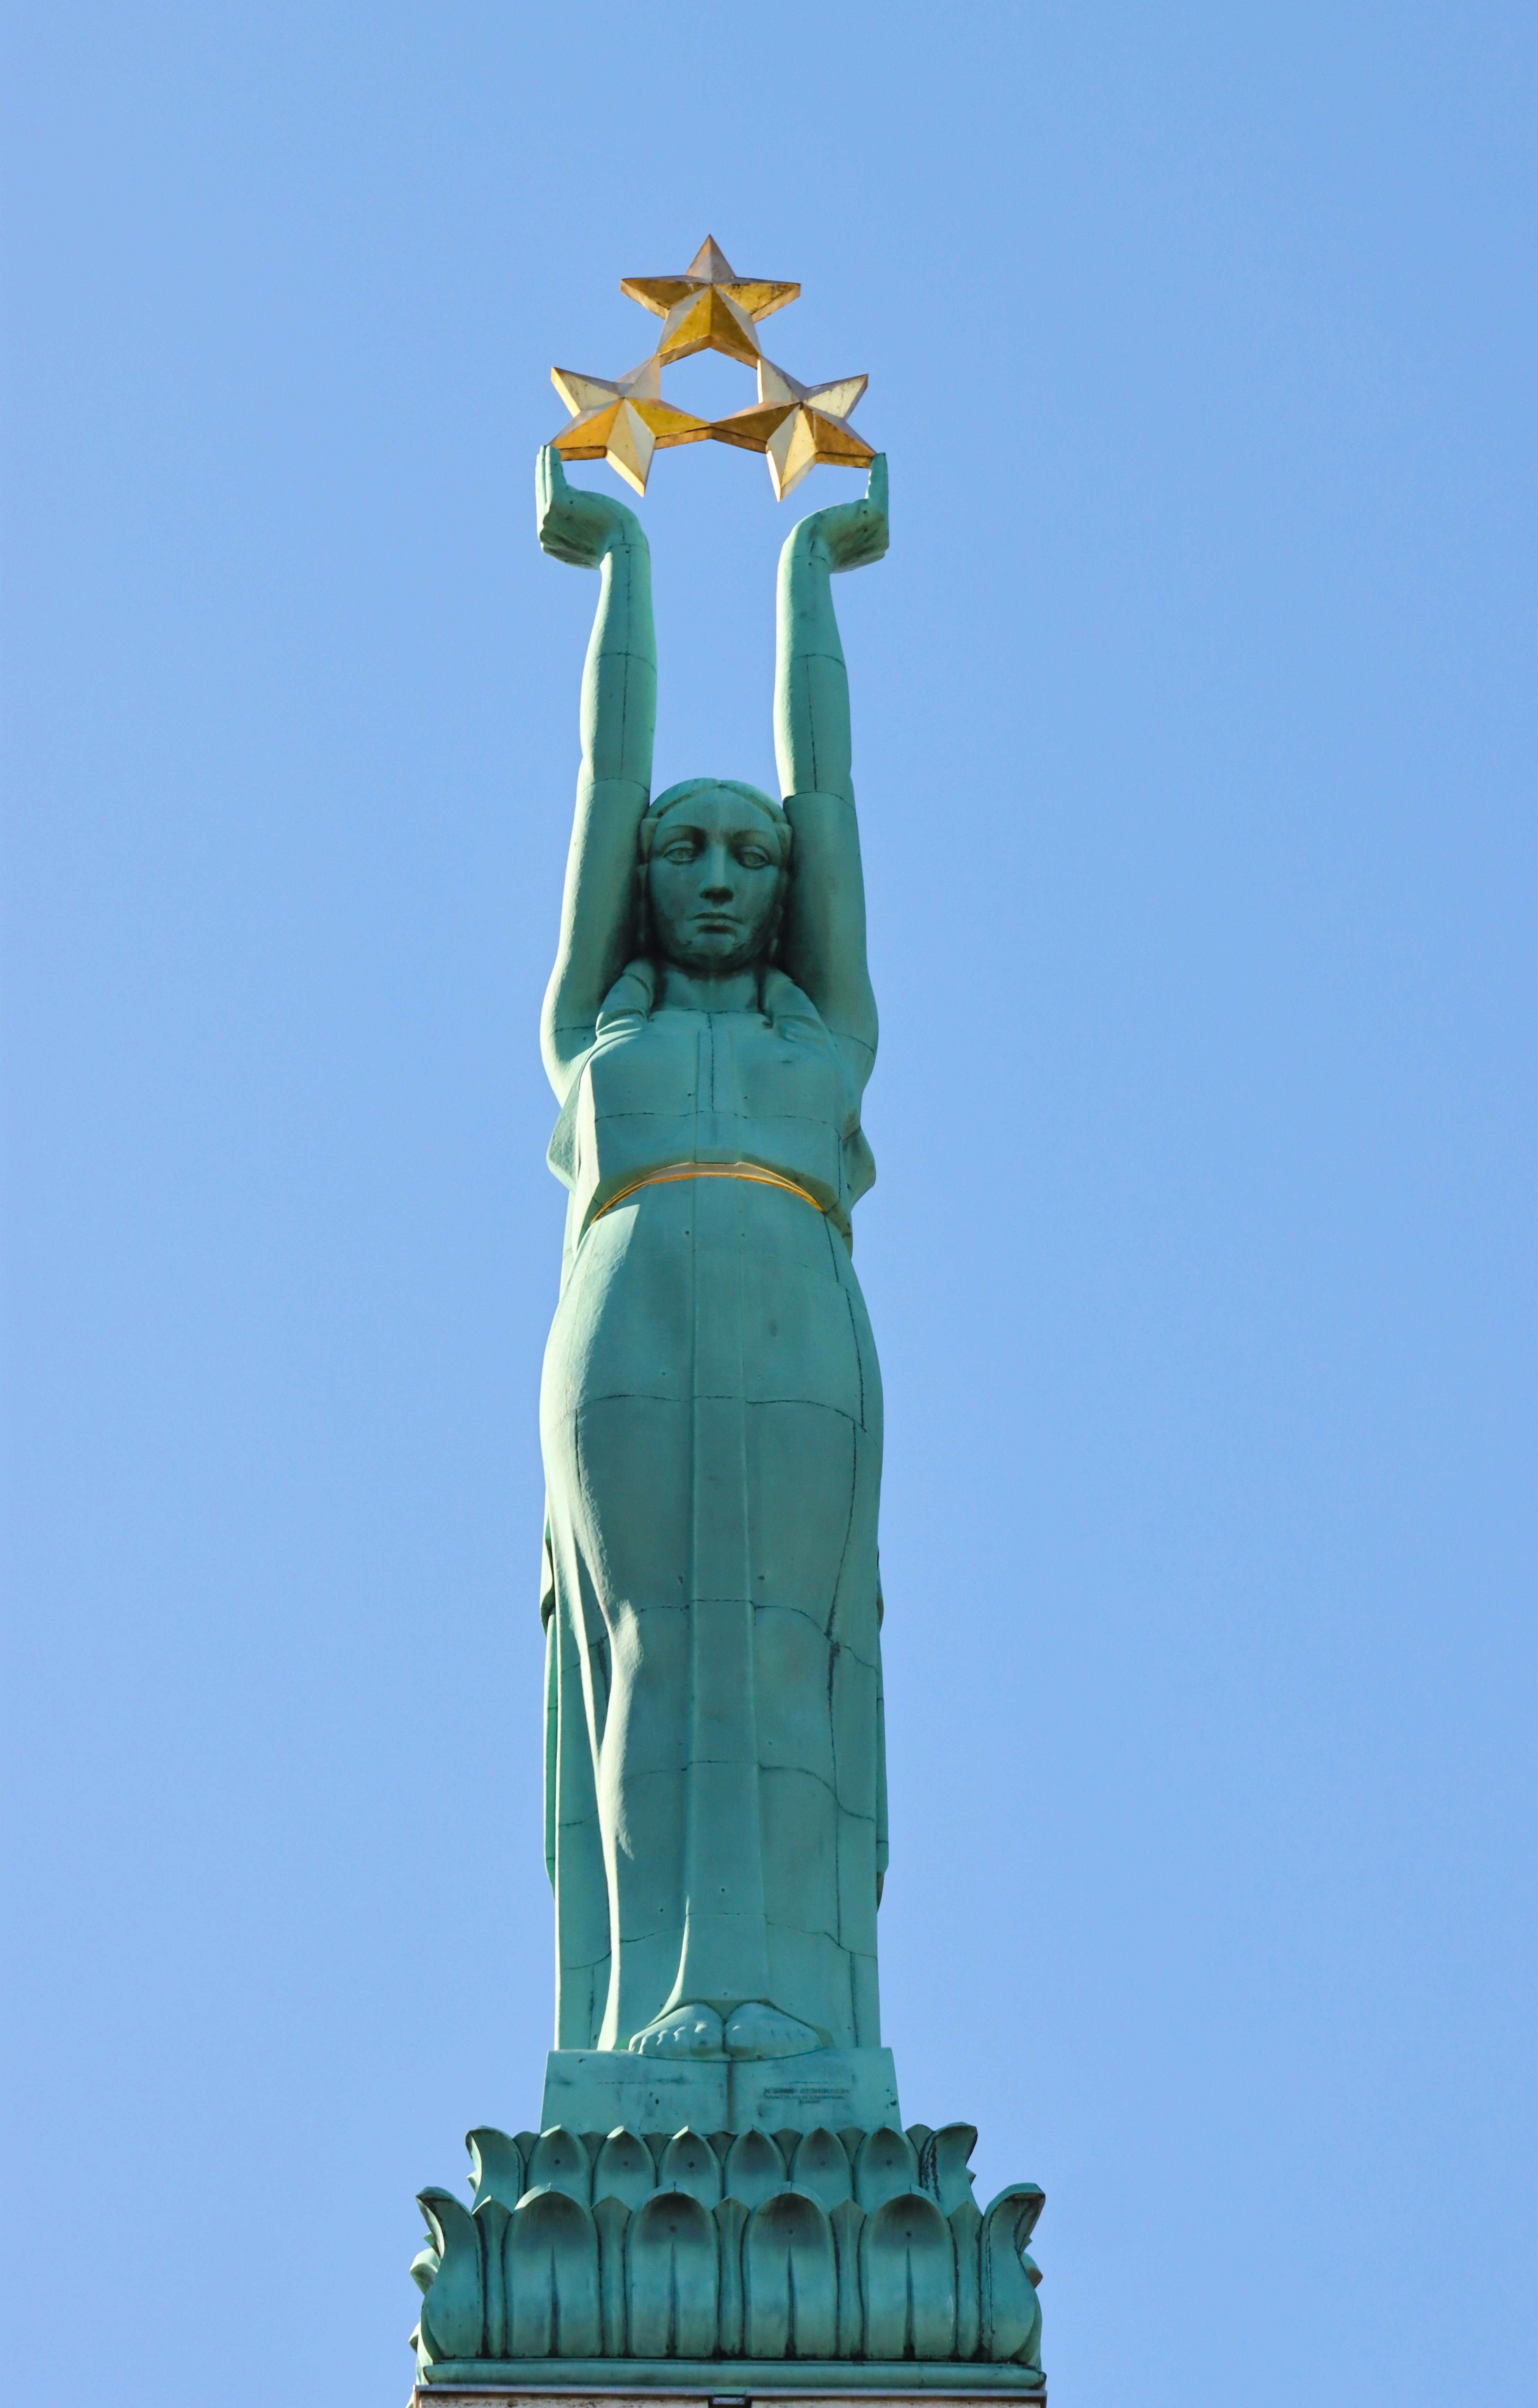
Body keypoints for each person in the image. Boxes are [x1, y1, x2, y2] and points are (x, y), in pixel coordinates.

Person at [536, 446, 891, 2063]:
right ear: (638, 878)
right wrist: (622, 566)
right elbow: (605, 772)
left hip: (795, 1316)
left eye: (752, 858)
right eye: (686, 853)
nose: (722, 877)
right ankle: (660, 2005)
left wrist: (808, 578)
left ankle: (794, 2018)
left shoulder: (826, 1033)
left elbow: (830, 794)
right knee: (650, 1648)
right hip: (629, 1312)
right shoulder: (585, 1036)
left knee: (783, 1652)